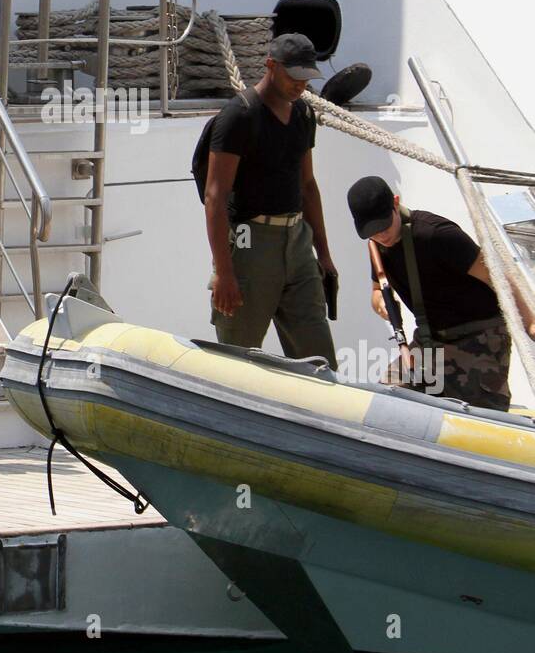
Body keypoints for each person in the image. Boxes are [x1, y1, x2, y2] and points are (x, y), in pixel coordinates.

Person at [204, 33, 338, 368]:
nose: (300, 85)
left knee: (320, 360)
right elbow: (215, 197)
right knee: (239, 359)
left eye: (307, 78)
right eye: (294, 76)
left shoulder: (304, 114)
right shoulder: (239, 117)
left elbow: (308, 186)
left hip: (297, 242)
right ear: (270, 66)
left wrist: (324, 255)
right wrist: (224, 272)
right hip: (250, 245)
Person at [348, 175, 535, 411]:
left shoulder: (436, 234)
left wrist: (530, 323)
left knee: (476, 414)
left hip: (478, 338)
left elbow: (498, 276)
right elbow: (377, 288)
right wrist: (379, 302)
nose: (381, 235)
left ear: (396, 203)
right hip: (430, 340)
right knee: (386, 400)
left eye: (385, 226)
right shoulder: (377, 245)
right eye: (372, 231)